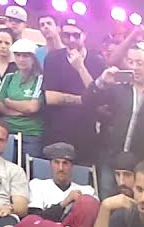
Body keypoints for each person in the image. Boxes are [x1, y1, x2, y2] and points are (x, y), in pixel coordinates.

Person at [86, 45, 144, 198]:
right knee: (106, 199)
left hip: (140, 163)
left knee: (134, 206)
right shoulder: (118, 88)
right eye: (130, 62)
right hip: (111, 158)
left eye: (140, 63)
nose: (134, 67)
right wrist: (102, 81)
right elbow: (88, 101)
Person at [41, 20, 104, 165]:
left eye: (76, 35)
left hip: (85, 134)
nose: (71, 40)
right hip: (57, 130)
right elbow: (50, 97)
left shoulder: (97, 60)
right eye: (66, 35)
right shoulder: (53, 58)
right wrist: (85, 100)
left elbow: (98, 99)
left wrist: (80, 67)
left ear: (84, 35)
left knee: (82, 181)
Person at [0, 38, 45, 163]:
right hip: (7, 131)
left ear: (33, 58)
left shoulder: (40, 79)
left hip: (31, 133)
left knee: (28, 171)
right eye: (17, 55)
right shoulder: (9, 77)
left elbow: (33, 107)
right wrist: (19, 110)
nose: (21, 59)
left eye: (25, 56)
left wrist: (9, 102)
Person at [27, 142, 96, 220]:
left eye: (65, 163)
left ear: (71, 166)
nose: (60, 168)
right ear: (50, 164)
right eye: (56, 162)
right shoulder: (37, 185)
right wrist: (65, 202)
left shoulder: (87, 191)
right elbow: (34, 220)